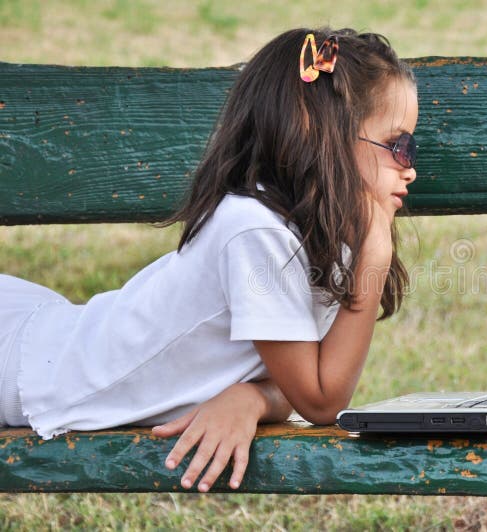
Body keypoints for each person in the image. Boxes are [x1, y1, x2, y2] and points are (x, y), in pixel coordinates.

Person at [0, 27, 418, 492]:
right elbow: (321, 400)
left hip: (49, 334)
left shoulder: (317, 235)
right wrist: (375, 254)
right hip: (20, 366)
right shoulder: (255, 231)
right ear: (317, 129)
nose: (411, 168)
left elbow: (299, 382)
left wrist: (253, 398)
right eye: (399, 146)